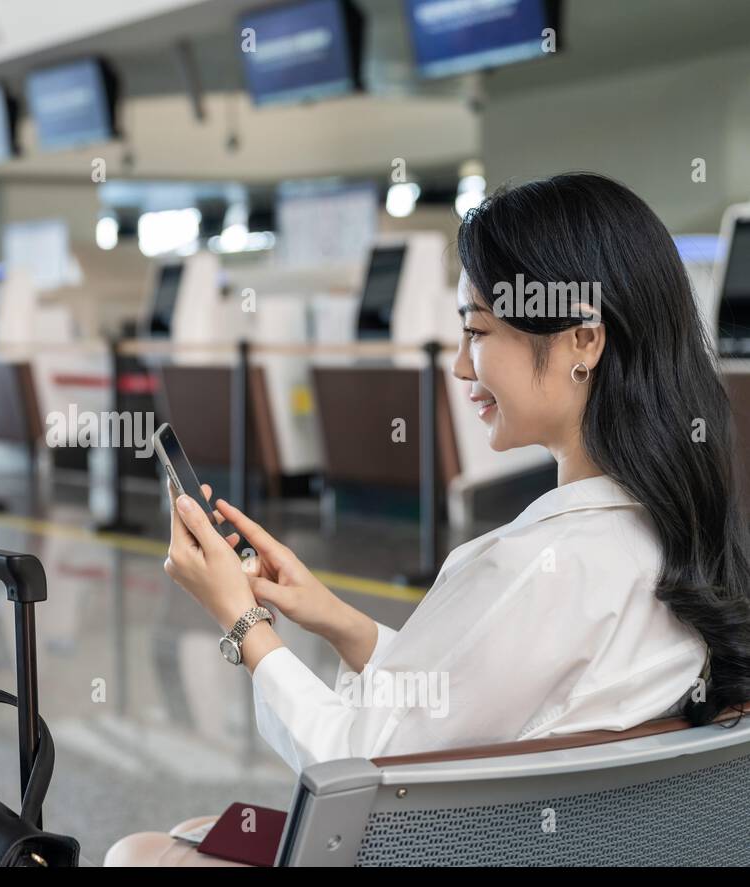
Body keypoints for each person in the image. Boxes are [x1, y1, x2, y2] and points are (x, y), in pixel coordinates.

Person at [164, 172, 750, 778]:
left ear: (583, 340)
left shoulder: (532, 567)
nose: (461, 366)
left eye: (477, 331)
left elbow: (352, 768)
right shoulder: (678, 541)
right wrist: (343, 624)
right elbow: (474, 694)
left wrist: (242, 621)